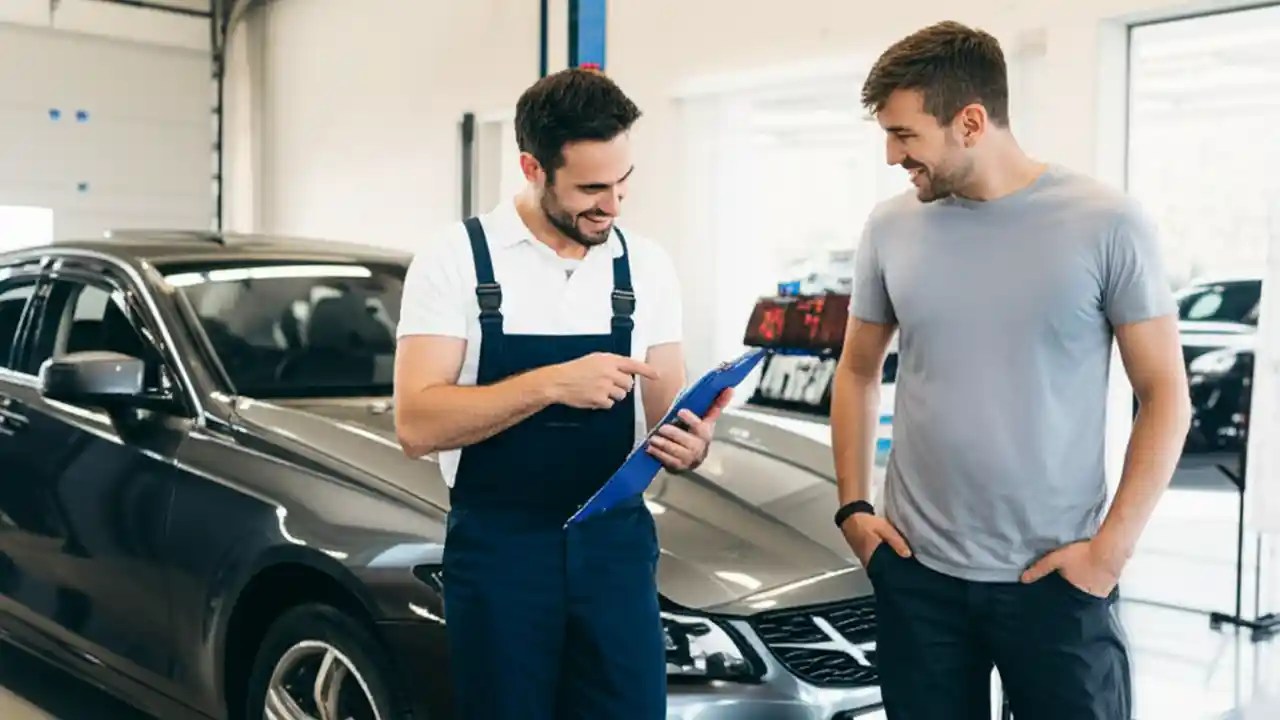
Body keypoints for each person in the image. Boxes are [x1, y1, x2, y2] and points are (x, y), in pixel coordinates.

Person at [830, 21, 1191, 720]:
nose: (891, 155)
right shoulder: (889, 227)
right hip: (918, 576)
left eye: (905, 136)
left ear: (969, 122)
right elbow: (855, 369)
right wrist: (853, 508)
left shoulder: (1106, 223)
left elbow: (1165, 394)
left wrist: (1108, 556)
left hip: (1056, 580)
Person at [393, 67, 729, 719]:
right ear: (532, 167)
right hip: (500, 551)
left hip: (616, 548)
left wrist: (693, 436)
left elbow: (666, 406)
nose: (613, 205)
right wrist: (553, 383)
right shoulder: (458, 260)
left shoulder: (647, 266)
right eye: (591, 189)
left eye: (623, 183)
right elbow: (417, 423)